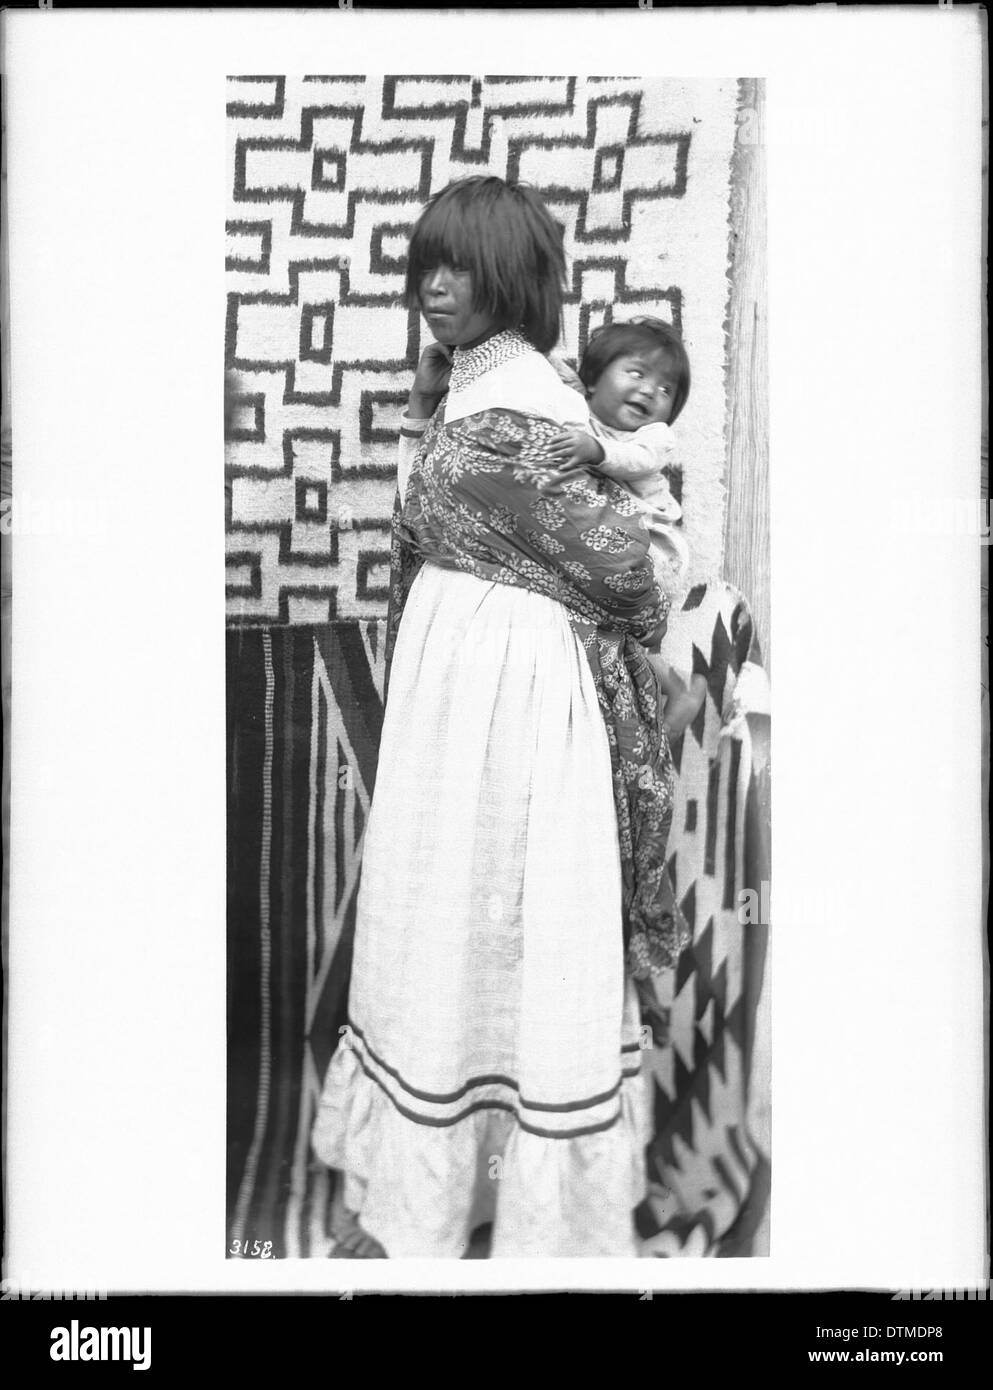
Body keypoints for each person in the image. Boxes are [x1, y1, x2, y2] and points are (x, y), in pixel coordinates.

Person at [311, 176, 688, 1259]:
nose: (436, 284)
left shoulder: (526, 408)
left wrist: (647, 503)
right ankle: (439, 1188)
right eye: (427, 260)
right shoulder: (472, 391)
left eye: (463, 266)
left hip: (518, 705)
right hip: (458, 695)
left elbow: (636, 585)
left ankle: (491, 1202)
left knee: (504, 913)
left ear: (516, 280)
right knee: (452, 913)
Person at [547, 318, 707, 736]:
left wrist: (595, 450)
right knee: (625, 643)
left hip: (656, 547)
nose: (651, 390)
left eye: (666, 388)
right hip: (624, 544)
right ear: (594, 381)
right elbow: (558, 377)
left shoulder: (653, 437)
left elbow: (632, 462)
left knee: (624, 634)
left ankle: (665, 704)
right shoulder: (580, 409)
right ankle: (676, 696)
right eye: (636, 372)